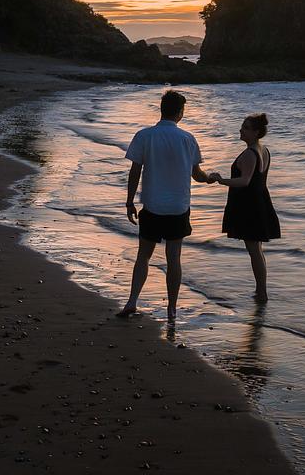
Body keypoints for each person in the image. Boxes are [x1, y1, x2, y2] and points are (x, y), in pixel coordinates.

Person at [118, 90, 215, 322]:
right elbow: (197, 174)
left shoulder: (144, 136)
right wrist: (211, 178)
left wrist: (130, 201)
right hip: (178, 208)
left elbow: (134, 172)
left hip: (152, 205)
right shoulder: (187, 138)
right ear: (180, 113)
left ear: (161, 109)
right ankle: (172, 309)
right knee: (174, 258)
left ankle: (132, 301)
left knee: (144, 256)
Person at [214, 113, 281, 303]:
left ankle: (262, 293)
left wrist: (221, 180)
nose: (240, 130)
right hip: (259, 202)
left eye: (245, 127)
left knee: (254, 250)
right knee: (257, 250)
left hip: (250, 206)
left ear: (255, 132)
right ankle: (260, 291)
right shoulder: (264, 150)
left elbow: (244, 181)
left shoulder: (251, 153)